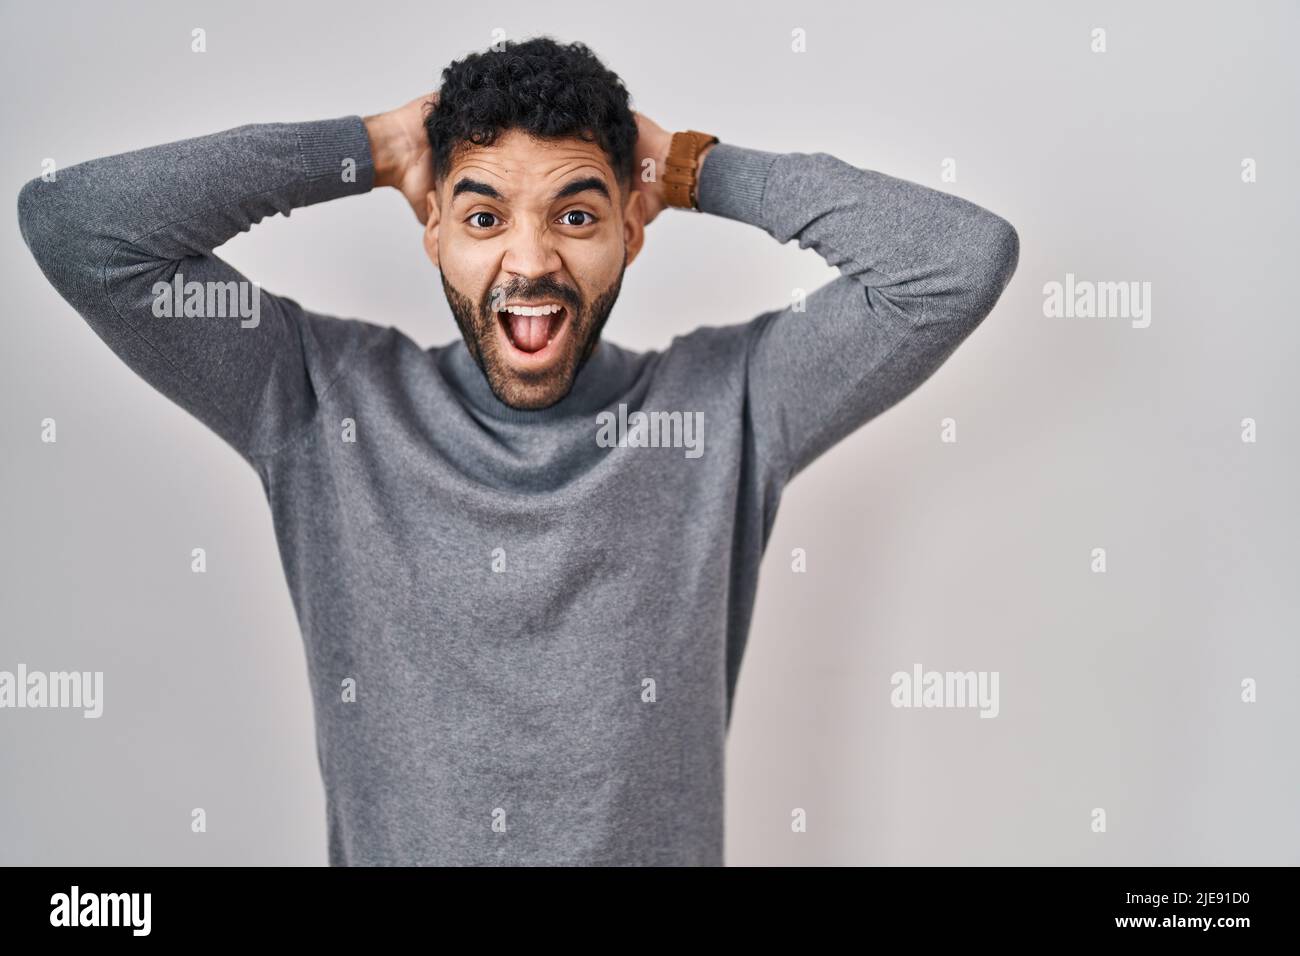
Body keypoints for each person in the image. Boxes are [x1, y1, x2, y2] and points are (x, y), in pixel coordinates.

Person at [17, 36, 1019, 865]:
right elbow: (77, 227)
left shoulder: (725, 404)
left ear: (633, 229)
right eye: (484, 215)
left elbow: (956, 262)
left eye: (576, 214)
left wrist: (694, 168)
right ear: (433, 230)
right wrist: (367, 147)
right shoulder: (318, 400)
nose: (530, 259)